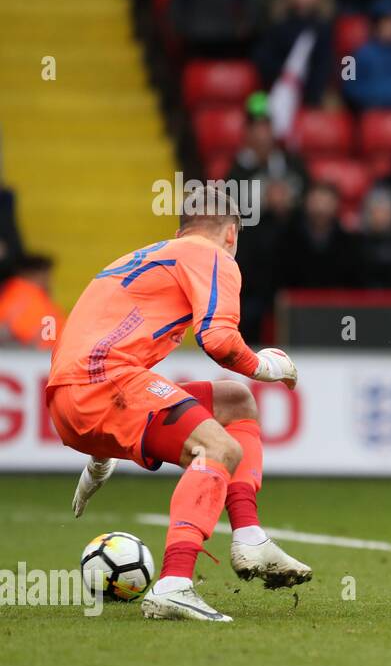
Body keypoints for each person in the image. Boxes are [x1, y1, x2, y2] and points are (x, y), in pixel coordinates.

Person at [45, 187, 311, 623]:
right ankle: (174, 584)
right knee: (220, 449)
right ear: (230, 233)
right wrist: (267, 364)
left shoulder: (142, 258)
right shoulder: (212, 256)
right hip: (106, 384)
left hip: (69, 398)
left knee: (234, 401)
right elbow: (219, 340)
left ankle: (249, 535)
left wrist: (99, 459)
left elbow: (86, 345)